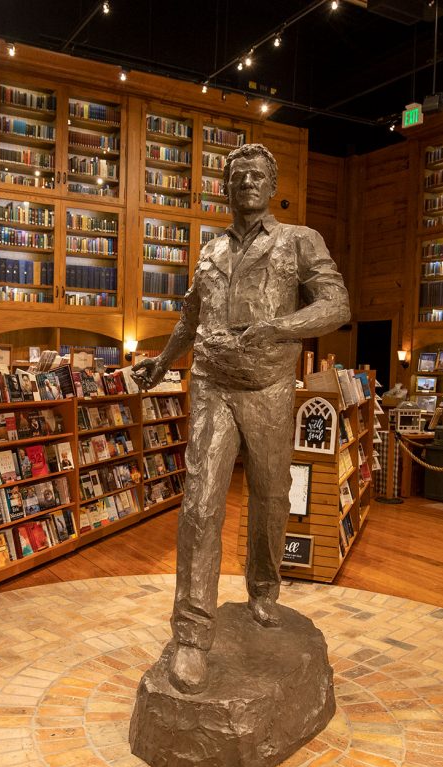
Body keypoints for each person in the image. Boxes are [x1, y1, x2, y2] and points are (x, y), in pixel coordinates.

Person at [132, 143, 350, 693]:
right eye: (238, 176)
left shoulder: (300, 241)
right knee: (201, 501)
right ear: (226, 188)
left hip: (270, 386)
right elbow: (189, 318)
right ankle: (191, 634)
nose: (248, 181)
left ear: (272, 184)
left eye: (257, 174)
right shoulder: (209, 252)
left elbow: (337, 305)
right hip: (211, 383)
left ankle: (263, 588)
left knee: (271, 495)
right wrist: (160, 366)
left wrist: (279, 327)